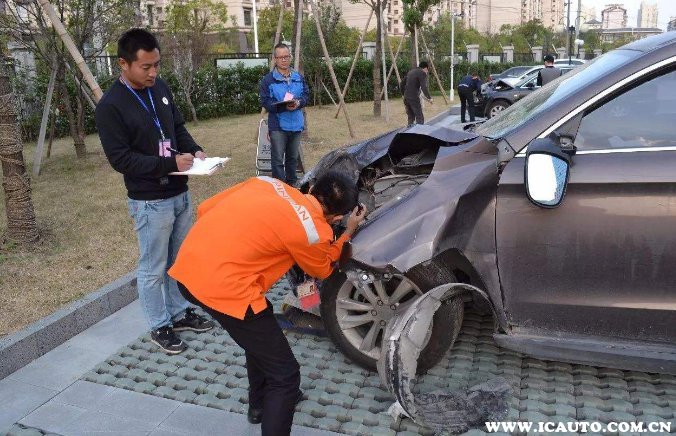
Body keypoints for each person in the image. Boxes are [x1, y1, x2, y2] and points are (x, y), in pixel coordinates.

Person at [168, 171, 366, 435]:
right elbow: (321, 268)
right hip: (225, 288)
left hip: (188, 268)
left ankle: (259, 404)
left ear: (312, 187)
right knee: (285, 376)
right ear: (337, 218)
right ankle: (269, 400)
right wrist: (348, 232)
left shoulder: (266, 183)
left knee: (260, 329)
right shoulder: (313, 231)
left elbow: (206, 208)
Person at [95, 28, 214, 355]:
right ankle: (159, 325)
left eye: (157, 65)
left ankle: (178, 313)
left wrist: (195, 150)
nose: (153, 73)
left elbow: (176, 128)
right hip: (150, 201)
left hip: (179, 192)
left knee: (178, 261)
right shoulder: (110, 106)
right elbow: (121, 160)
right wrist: (169, 163)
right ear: (123, 64)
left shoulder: (159, 88)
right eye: (145, 67)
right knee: (153, 267)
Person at [259, 43, 310, 187]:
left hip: (296, 125)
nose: (284, 59)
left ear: (290, 57)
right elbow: (265, 101)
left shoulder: (298, 77)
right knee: (277, 160)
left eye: (286, 56)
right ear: (275, 59)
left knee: (292, 158)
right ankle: (280, 187)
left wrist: (299, 103)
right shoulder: (268, 80)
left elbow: (306, 95)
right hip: (278, 127)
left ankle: (292, 185)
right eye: (280, 57)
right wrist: (283, 106)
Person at [402, 61, 433, 126]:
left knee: (411, 117)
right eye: (427, 70)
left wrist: (403, 94)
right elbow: (424, 87)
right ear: (425, 68)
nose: (427, 72)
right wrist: (429, 97)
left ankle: (409, 130)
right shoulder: (422, 73)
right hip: (413, 98)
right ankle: (419, 131)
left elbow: (401, 84)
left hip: (406, 98)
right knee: (420, 118)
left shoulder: (410, 72)